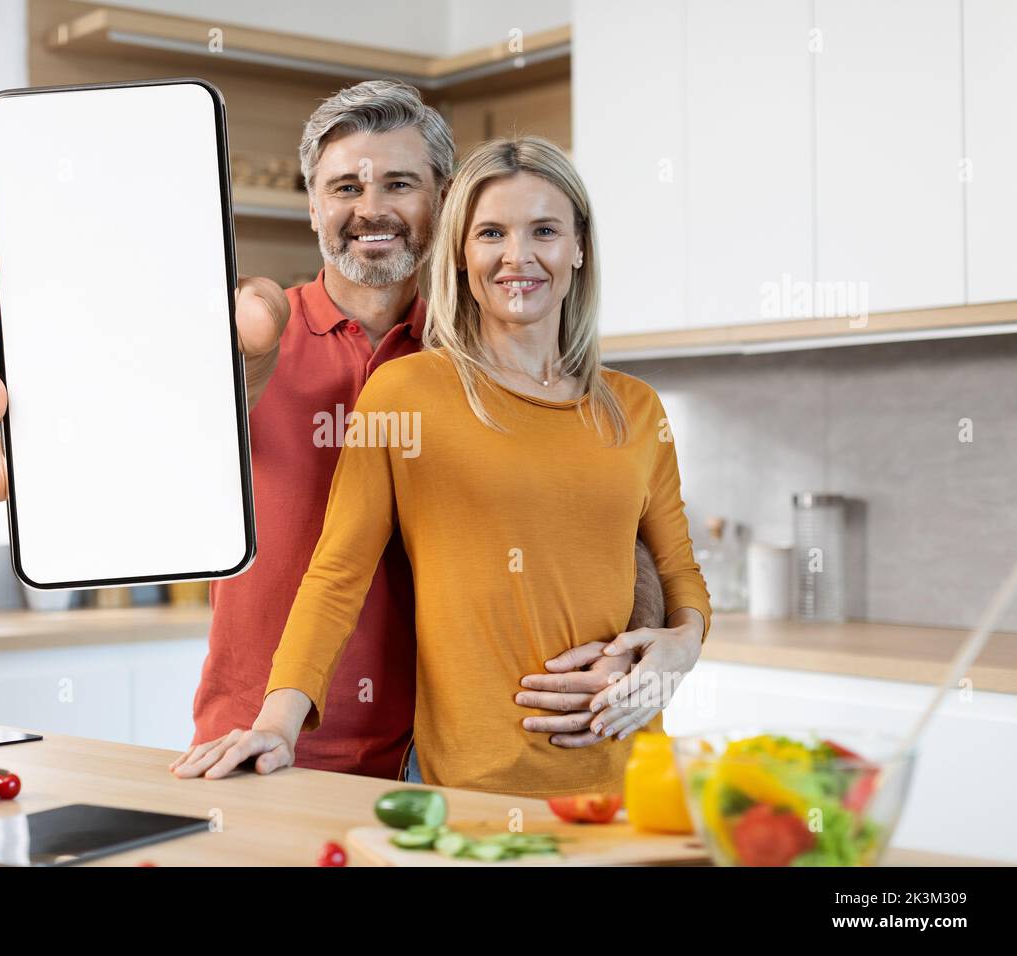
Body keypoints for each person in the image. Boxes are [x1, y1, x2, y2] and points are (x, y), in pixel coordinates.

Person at [0, 81, 662, 783]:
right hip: (258, 741)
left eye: (399, 184)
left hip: (436, 757)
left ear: (446, 204)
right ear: (311, 206)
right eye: (344, 187)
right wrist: (50, 356)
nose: (371, 209)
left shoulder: (498, 360)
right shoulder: (241, 347)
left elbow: (612, 528)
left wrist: (651, 644)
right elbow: (134, 410)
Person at [172, 137, 710, 797]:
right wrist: (280, 724)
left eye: (544, 230)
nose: (519, 257)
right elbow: (338, 574)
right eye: (491, 233)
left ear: (578, 248)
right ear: (461, 251)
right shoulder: (408, 393)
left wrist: (678, 652)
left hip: (628, 777)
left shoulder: (635, 408)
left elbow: (681, 574)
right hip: (468, 785)